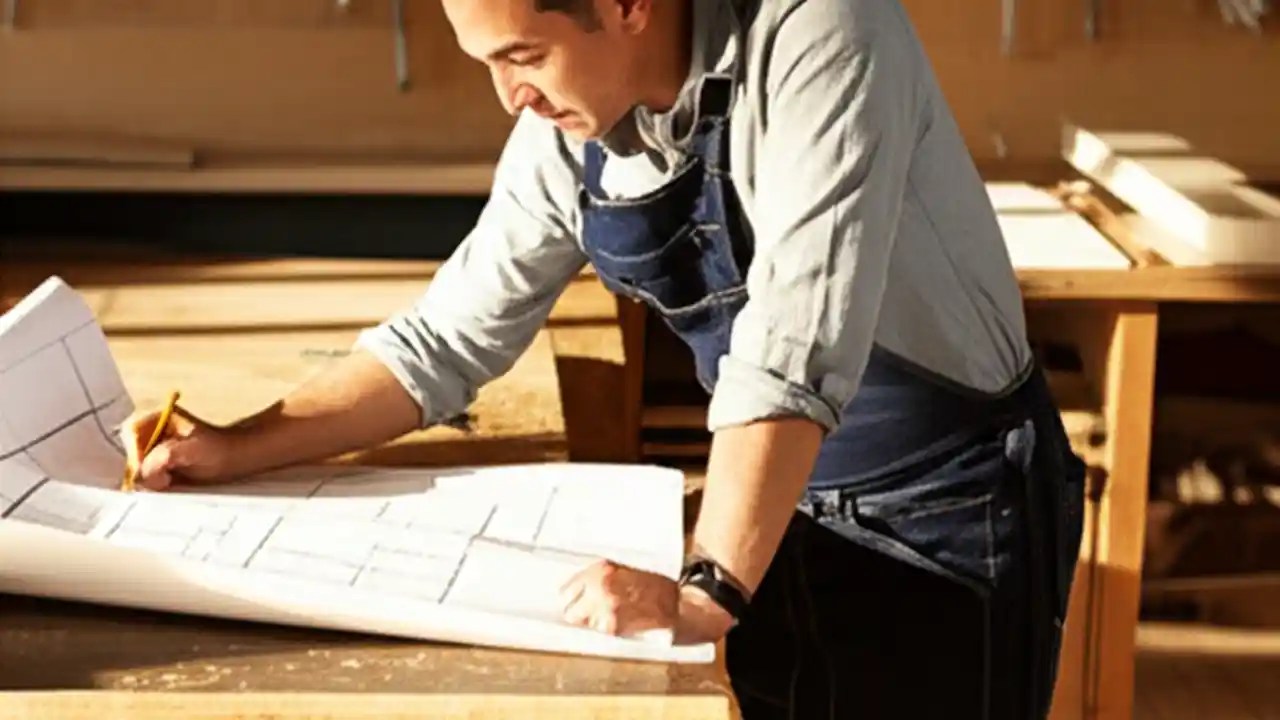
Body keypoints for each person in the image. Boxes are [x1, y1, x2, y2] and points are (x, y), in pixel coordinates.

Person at [123, 0, 1087, 717]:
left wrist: (710, 582)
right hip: (766, 505)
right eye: (488, 62)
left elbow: (797, 341)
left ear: (629, 6)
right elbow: (447, 339)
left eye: (524, 55)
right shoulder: (565, 126)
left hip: (947, 512)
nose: (510, 94)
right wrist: (238, 446)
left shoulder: (823, 32)